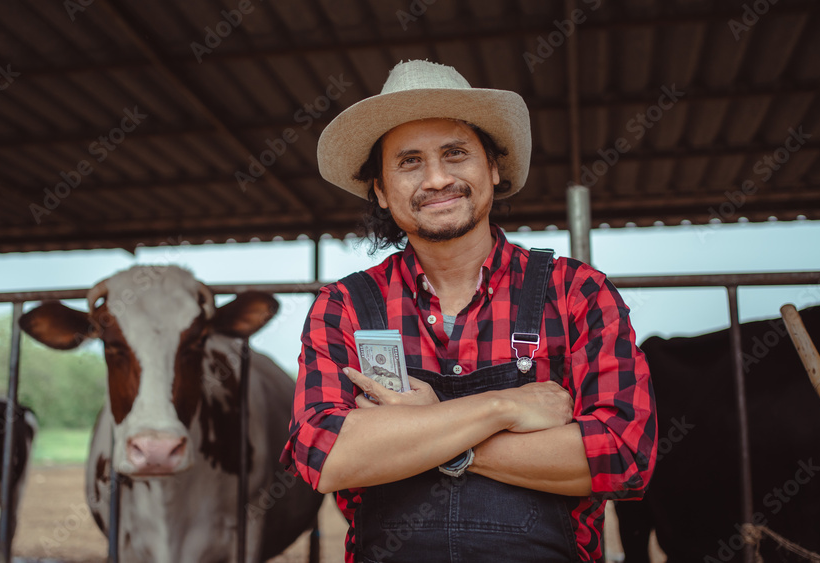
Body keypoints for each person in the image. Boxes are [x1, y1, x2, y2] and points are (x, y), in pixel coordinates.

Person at [281, 60, 657, 563]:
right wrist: (501, 409)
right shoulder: (344, 306)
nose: (437, 178)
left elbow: (620, 455)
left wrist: (433, 434)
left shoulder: (577, 292)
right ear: (380, 189)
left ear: (493, 168)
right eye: (409, 161)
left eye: (455, 153)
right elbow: (324, 455)